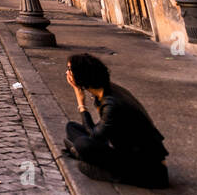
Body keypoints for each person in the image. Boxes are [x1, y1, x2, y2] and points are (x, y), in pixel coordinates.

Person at [63, 53, 169, 188]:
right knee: (71, 127)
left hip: (149, 169)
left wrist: (81, 102)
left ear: (82, 76)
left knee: (83, 144)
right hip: (124, 149)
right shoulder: (107, 89)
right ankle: (83, 155)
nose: (67, 73)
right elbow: (101, 132)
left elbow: (95, 136)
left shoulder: (112, 104)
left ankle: (96, 164)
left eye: (70, 70)